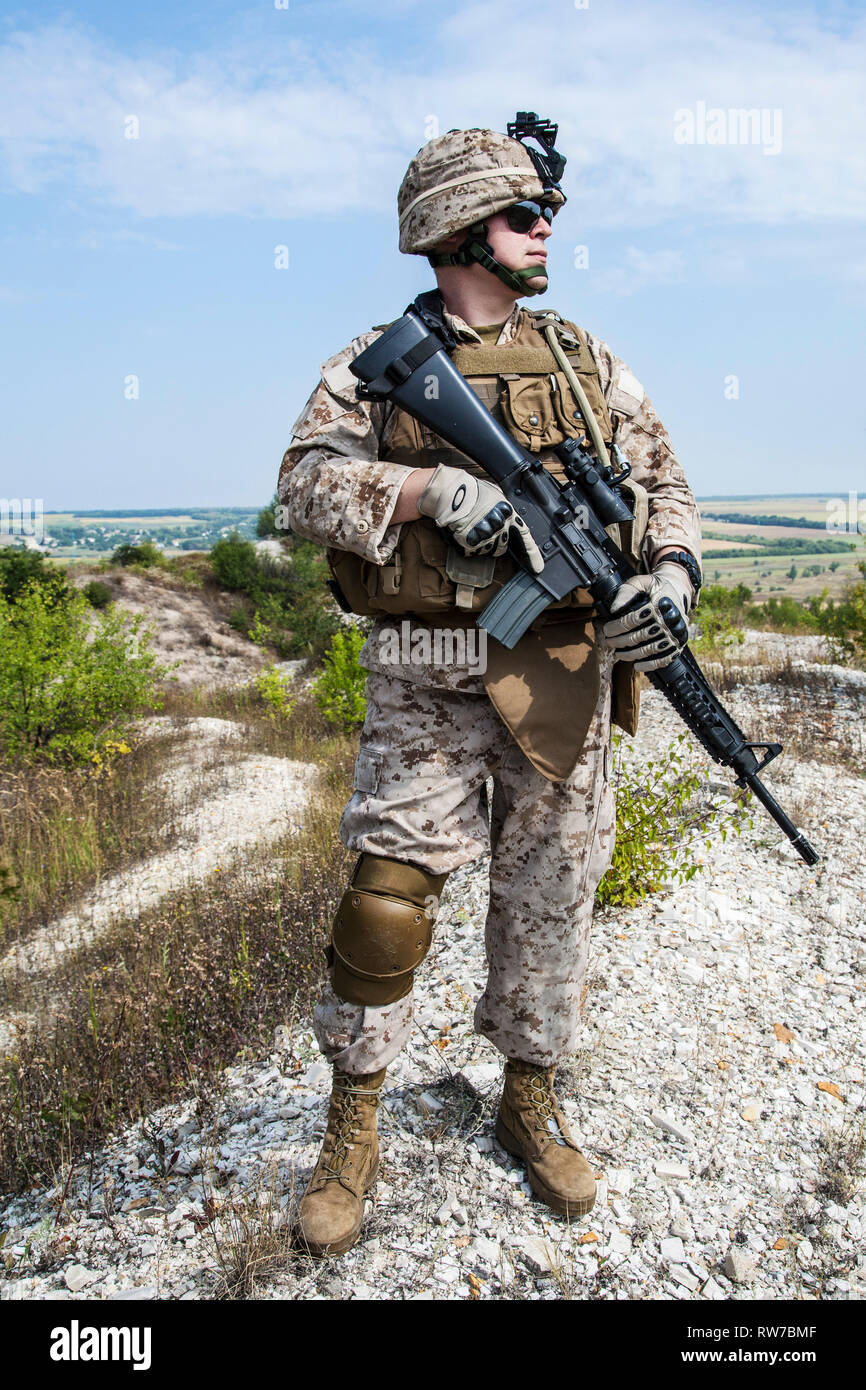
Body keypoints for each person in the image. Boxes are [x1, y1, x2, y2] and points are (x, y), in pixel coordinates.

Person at [277, 115, 703, 1258]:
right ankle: (352, 1123)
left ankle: (527, 1099)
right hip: (425, 678)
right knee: (382, 901)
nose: (544, 228)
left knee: (552, 900)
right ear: (459, 228)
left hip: (563, 669)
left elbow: (663, 485)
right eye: (522, 214)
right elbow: (301, 491)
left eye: (542, 211)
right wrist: (420, 499)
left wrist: (665, 576)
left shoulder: (584, 361)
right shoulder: (368, 362)